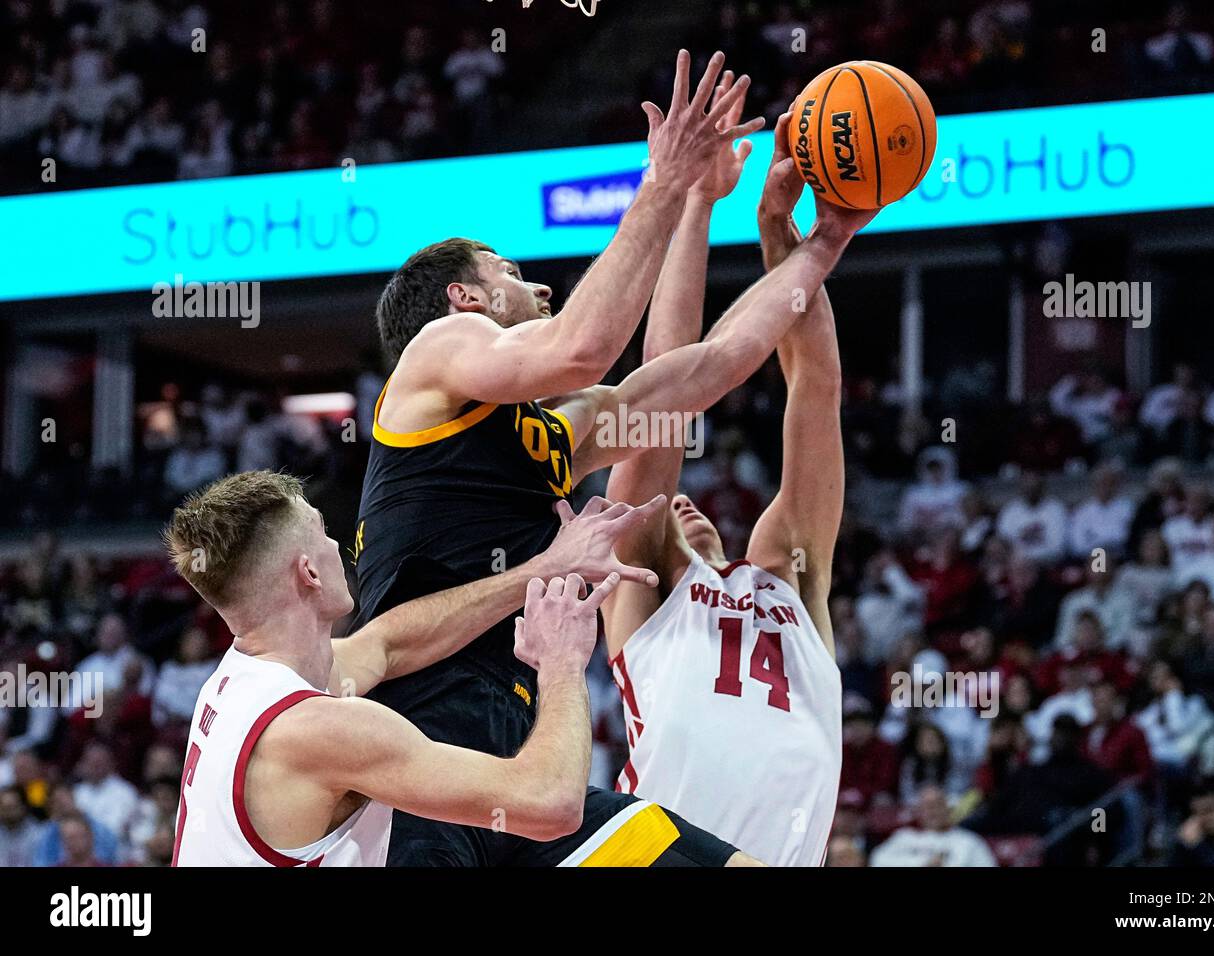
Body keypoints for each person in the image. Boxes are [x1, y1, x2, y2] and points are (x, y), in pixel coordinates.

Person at [354, 51, 870, 866]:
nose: (540, 290)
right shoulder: (435, 354)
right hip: (420, 750)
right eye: (513, 275)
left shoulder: (551, 445)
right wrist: (667, 185)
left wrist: (818, 246)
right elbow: (584, 348)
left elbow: (702, 369)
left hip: (517, 762)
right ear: (467, 299)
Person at [162, 470, 717, 866]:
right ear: (308, 573)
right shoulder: (322, 731)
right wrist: (562, 664)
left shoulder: (241, 680)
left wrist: (546, 567)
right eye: (323, 531)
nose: (338, 544)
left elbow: (388, 643)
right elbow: (549, 803)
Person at [600, 120, 853, 864]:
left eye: (694, 504)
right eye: (673, 506)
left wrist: (783, 232)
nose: (683, 503)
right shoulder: (643, 590)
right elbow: (667, 381)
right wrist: (697, 206)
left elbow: (816, 390)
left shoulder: (788, 577)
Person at [868, 784, 996, 867]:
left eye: (938, 805)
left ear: (948, 809)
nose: (933, 811)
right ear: (919, 812)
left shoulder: (969, 842)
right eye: (927, 807)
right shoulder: (903, 837)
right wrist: (923, 864)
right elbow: (877, 861)